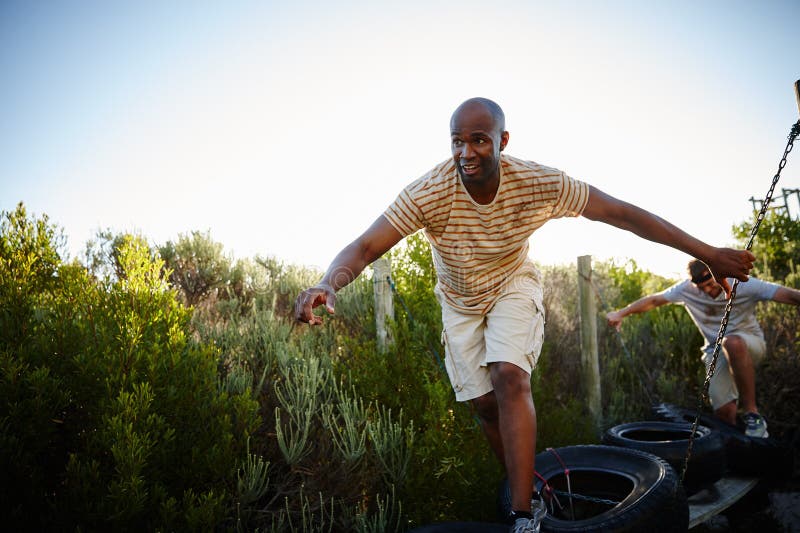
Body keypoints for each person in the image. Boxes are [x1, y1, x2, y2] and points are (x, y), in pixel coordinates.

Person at [294, 97, 754, 532]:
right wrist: (326, 282)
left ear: (502, 141)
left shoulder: (537, 182)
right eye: (457, 141)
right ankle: (529, 483)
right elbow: (365, 246)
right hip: (458, 302)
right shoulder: (429, 191)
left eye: (478, 140)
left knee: (509, 376)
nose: (466, 152)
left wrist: (706, 252)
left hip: (513, 284)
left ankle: (523, 514)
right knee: (485, 406)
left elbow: (621, 213)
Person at [607, 259, 800, 438]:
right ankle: (738, 452)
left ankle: (752, 413)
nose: (708, 290)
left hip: (750, 343)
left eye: (711, 283)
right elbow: (654, 300)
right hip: (714, 351)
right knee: (724, 413)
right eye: (702, 287)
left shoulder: (743, 283)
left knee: (731, 342)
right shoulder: (685, 289)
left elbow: (789, 295)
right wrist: (621, 313)